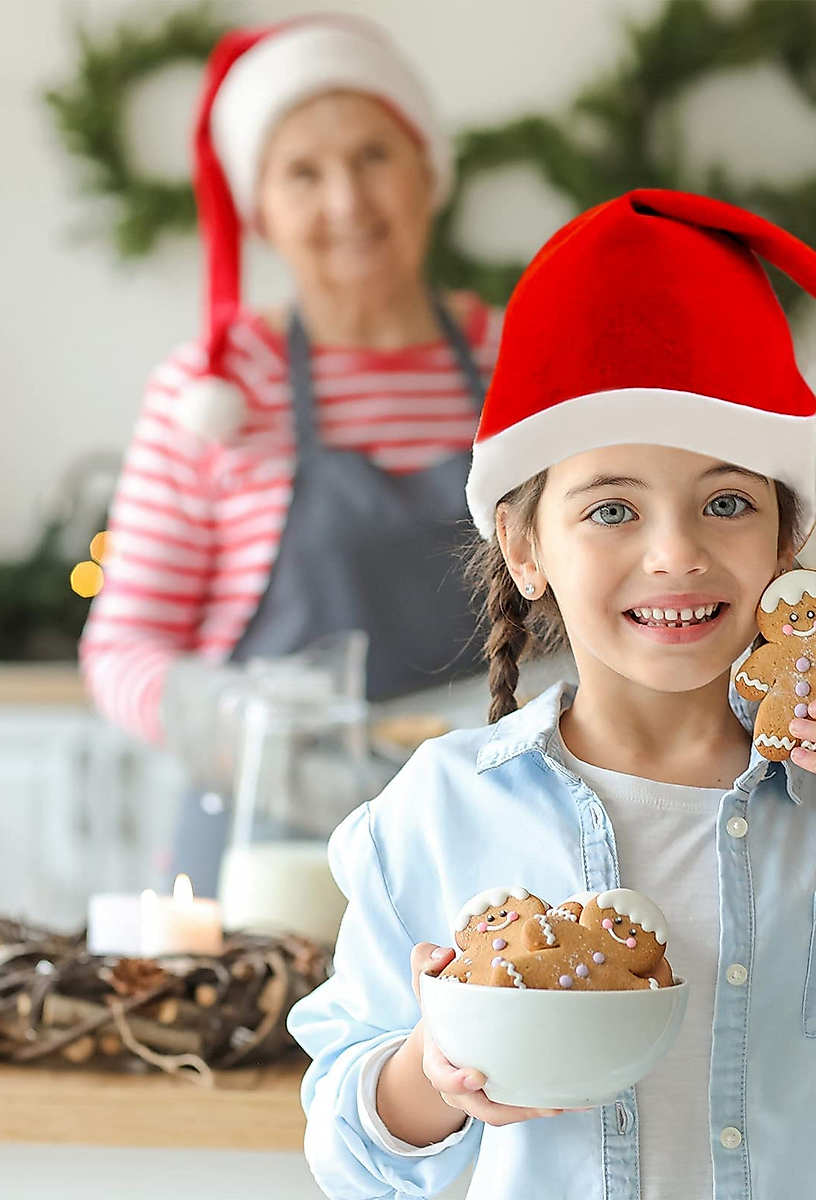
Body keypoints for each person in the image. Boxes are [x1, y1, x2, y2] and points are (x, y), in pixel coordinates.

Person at [286, 190, 816, 1200]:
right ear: (525, 546)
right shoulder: (439, 812)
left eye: (725, 503)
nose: (675, 554)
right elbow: (349, 1154)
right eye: (612, 509)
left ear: (785, 542)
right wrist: (436, 1069)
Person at [80, 15, 501, 893]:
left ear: (429, 168)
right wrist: (252, 731)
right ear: (260, 211)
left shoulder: (520, 362)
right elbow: (121, 646)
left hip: (484, 833)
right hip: (264, 840)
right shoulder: (217, 392)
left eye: (374, 156)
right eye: (303, 173)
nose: (347, 202)